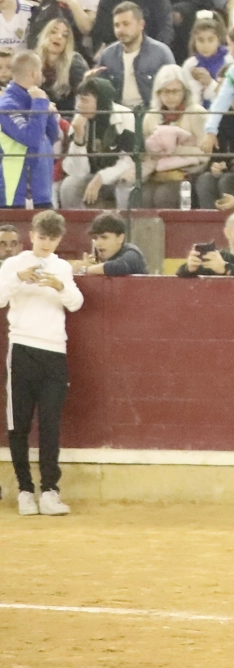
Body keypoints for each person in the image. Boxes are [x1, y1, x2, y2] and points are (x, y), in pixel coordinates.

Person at [3, 208, 82, 516]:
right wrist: (17, 280)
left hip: (54, 351)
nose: (46, 243)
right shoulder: (14, 264)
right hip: (22, 348)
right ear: (31, 235)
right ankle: (25, 490)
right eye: (42, 237)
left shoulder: (61, 268)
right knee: (18, 425)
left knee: (50, 424)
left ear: (59, 239)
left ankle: (49, 490)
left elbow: (75, 303)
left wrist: (60, 286)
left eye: (53, 238)